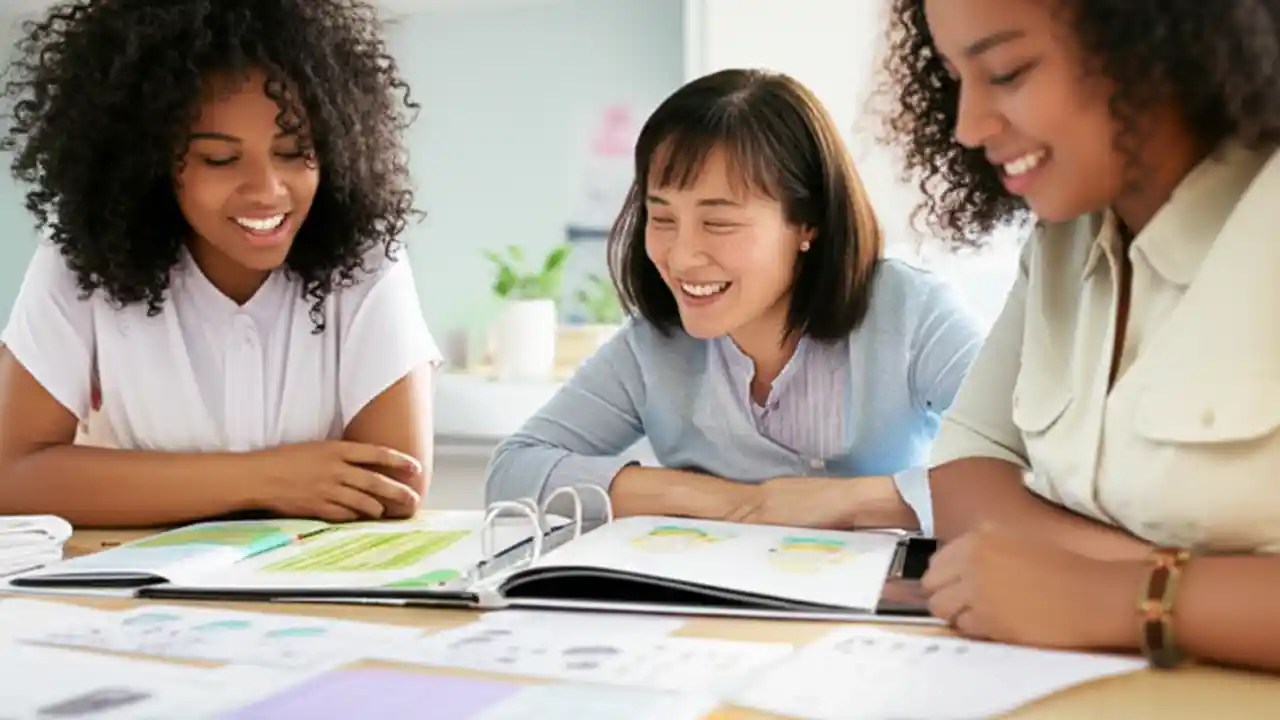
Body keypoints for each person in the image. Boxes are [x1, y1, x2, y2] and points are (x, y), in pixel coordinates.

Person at [880, 0, 1280, 672]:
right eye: (954, 78)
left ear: (1154, 40)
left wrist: (1119, 598)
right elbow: (964, 475)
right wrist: (1217, 592)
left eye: (1006, 71)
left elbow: (1039, 569)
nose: (969, 126)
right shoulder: (1063, 241)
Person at [0, 0, 441, 527]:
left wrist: (131, 482)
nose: (267, 191)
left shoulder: (365, 256)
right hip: (131, 594)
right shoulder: (81, 255)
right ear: (149, 161)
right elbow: (11, 473)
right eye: (220, 159)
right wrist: (269, 478)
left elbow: (394, 483)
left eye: (293, 151)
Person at [485, 69, 983, 533]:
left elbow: (1029, 467)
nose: (680, 256)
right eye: (661, 219)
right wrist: (722, 500)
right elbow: (515, 471)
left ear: (807, 223)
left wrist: (848, 502)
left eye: (718, 222)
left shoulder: (912, 312)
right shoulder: (653, 346)